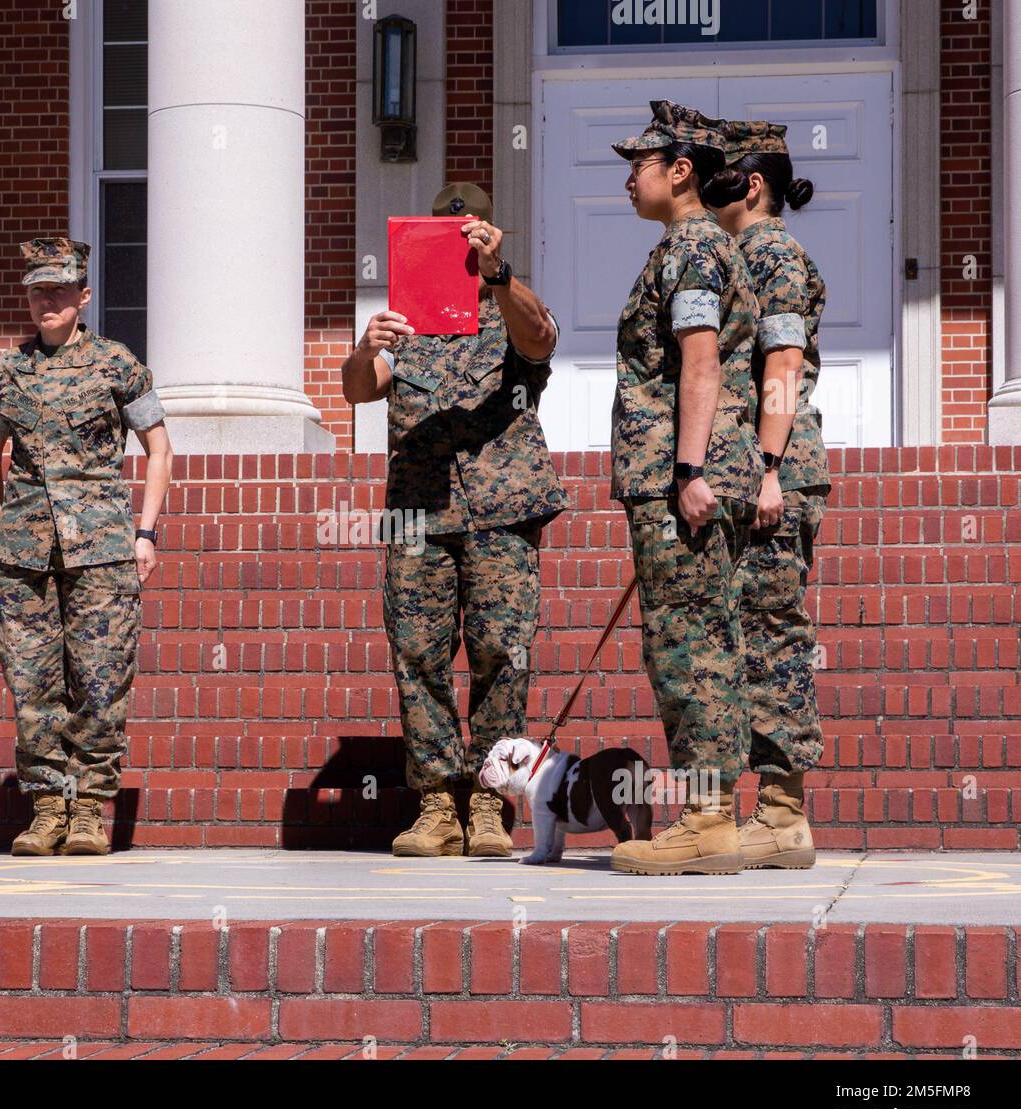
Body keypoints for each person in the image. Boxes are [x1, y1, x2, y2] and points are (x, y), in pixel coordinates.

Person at [341, 182, 567, 858]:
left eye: (466, 234)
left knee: (502, 652)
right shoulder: (405, 323)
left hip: (502, 512)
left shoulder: (509, 307)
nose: (455, 246)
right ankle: (438, 802)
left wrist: (498, 274)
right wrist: (362, 345)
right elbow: (360, 389)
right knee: (418, 655)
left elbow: (542, 338)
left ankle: (490, 803)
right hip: (420, 515)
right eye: (441, 235)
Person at [603, 101, 763, 876]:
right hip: (686, 475)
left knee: (686, 646)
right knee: (702, 639)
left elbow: (700, 360)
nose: (628, 178)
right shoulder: (693, 246)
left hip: (682, 481)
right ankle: (713, 814)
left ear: (681, 171)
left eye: (639, 164)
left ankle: (706, 816)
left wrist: (689, 472)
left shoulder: (692, 250)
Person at [0, 238, 174, 857]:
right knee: (31, 681)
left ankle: (88, 809)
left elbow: (159, 449)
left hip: (104, 549)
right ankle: (45, 808)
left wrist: (145, 533)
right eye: (38, 290)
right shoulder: (7, 373)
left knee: (100, 678)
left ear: (84, 295)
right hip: (24, 553)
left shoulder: (118, 364)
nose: (48, 301)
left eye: (59, 289)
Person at [714, 119, 829, 869]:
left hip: (773, 474)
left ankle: (783, 814)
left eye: (719, 173)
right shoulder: (742, 253)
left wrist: (766, 467)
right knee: (746, 637)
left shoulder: (772, 253)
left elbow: (782, 362)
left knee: (772, 640)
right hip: (756, 469)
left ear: (752, 184)